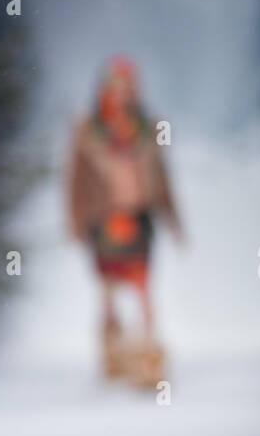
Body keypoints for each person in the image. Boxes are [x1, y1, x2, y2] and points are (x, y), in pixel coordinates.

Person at [67, 56, 183, 386]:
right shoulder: (88, 129)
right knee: (108, 287)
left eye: (129, 87)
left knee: (143, 284)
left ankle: (148, 353)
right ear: (105, 90)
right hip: (102, 218)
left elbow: (162, 176)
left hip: (139, 215)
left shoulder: (148, 126)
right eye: (117, 87)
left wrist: (173, 217)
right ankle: (114, 353)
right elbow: (75, 179)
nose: (124, 94)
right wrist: (76, 219)